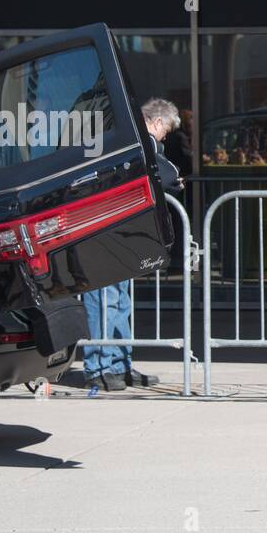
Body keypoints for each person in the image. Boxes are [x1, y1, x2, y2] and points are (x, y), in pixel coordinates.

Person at [81, 98, 179, 392]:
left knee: (119, 301)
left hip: (116, 235)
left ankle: (117, 364)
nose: (165, 138)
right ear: (158, 122)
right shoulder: (139, 141)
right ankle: (100, 367)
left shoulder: (124, 138)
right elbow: (169, 174)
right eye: (167, 131)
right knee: (106, 301)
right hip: (107, 234)